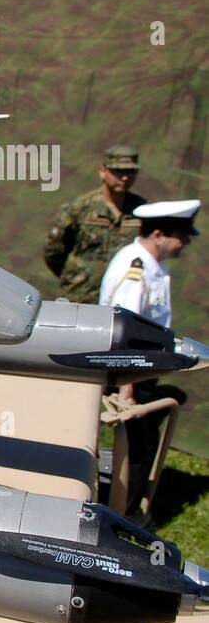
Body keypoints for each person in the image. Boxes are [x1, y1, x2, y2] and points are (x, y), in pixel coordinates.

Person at [98, 199, 200, 519]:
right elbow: (124, 332)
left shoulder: (151, 265)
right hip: (130, 374)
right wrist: (126, 391)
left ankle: (126, 510)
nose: (185, 242)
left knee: (142, 447)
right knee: (137, 452)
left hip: (141, 372)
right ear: (158, 233)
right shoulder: (136, 271)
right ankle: (123, 518)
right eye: (181, 236)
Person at [43, 144, 146, 302]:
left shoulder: (142, 211)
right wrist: (75, 276)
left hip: (123, 298)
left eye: (130, 171)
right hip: (81, 297)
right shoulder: (80, 208)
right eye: (118, 171)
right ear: (103, 171)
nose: (124, 177)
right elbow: (53, 251)